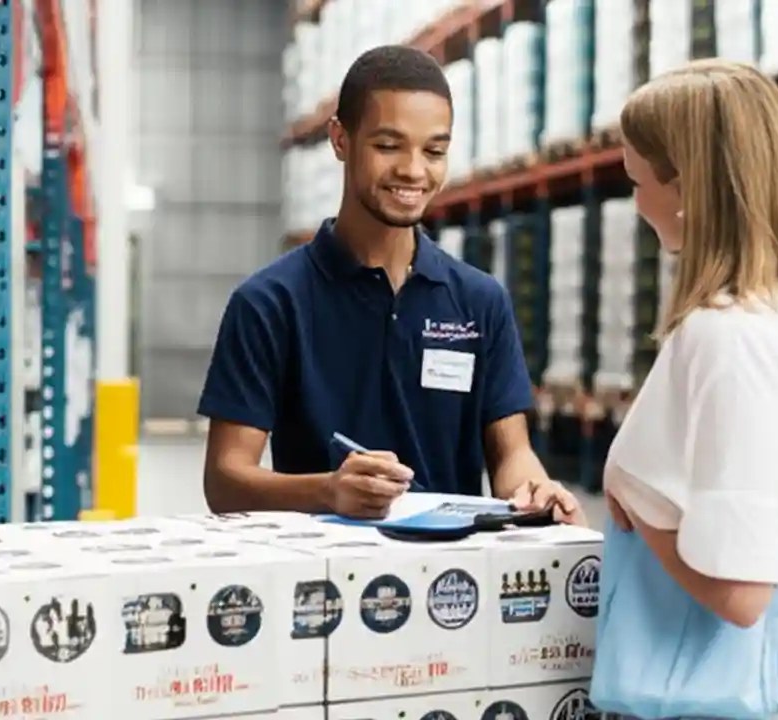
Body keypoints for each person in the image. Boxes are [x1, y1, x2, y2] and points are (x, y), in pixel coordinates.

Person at [590, 59, 778, 720]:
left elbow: (741, 592)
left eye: (638, 180)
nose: (636, 202)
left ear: (688, 187)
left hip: (717, 702)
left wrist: (641, 501)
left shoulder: (728, 336)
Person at [197, 45, 583, 525]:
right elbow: (225, 480)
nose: (414, 171)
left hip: (451, 583)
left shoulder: (479, 301)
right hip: (320, 583)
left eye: (434, 151)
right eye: (388, 145)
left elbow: (511, 456)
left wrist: (536, 491)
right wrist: (329, 491)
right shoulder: (270, 304)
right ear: (341, 139)